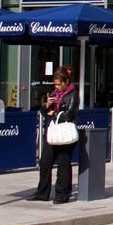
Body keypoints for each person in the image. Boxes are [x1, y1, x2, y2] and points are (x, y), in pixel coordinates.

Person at [30, 66, 77, 203]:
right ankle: (42, 193)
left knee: (63, 164)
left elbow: (70, 113)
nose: (56, 87)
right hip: (53, 131)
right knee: (45, 161)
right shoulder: (54, 93)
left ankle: (62, 195)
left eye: (58, 84)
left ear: (66, 81)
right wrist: (47, 105)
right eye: (55, 84)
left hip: (64, 132)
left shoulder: (72, 94)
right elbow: (45, 112)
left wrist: (54, 114)